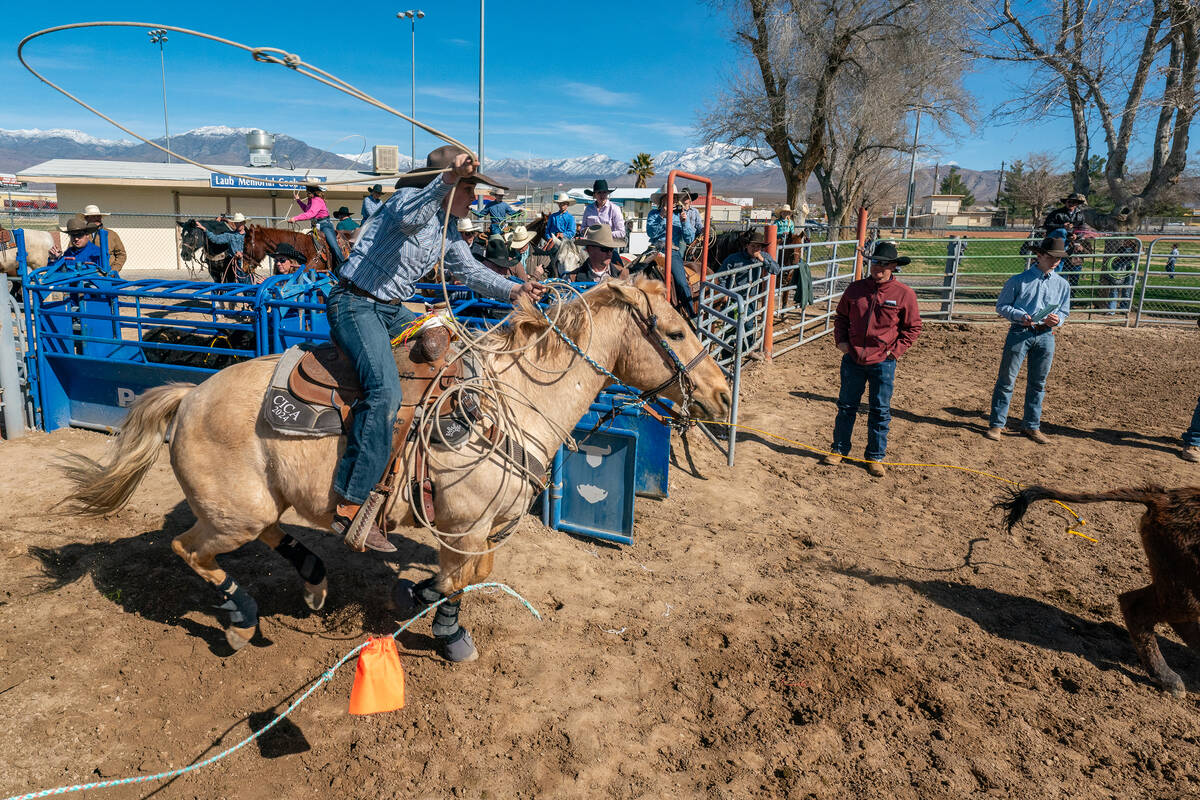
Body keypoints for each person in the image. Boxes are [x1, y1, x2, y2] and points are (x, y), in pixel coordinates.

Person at [329, 145, 546, 554]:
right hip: (354, 303)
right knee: (384, 393)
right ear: (448, 185)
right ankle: (351, 503)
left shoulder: (448, 230)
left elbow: (470, 271)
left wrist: (515, 288)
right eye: (469, 189)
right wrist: (446, 179)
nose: (475, 198)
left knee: (456, 349)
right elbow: (408, 216)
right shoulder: (407, 203)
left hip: (390, 309)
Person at [822, 242, 922, 477]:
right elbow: (841, 318)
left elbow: (913, 327)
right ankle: (839, 449)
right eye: (875, 261)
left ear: (894, 267)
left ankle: (875, 456)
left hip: (883, 361)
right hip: (853, 357)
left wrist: (895, 351)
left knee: (879, 409)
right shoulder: (855, 290)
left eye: (884, 263)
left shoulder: (904, 294)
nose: (878, 267)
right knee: (846, 406)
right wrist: (842, 342)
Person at [984, 235, 1072, 444]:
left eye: (1058, 258)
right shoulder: (1018, 280)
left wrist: (1057, 320)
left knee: (1038, 383)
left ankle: (1032, 425)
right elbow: (1002, 306)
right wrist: (1020, 316)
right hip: (1020, 332)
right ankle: (997, 424)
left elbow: (1065, 311)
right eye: (1052, 257)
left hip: (1045, 335)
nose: (1056, 261)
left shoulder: (1062, 285)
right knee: (1007, 380)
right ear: (1039, 255)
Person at [719, 228, 783, 353]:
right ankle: (727, 353)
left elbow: (776, 269)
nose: (755, 249)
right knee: (731, 326)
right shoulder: (733, 258)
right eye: (753, 246)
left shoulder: (764, 256)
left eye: (758, 246)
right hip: (734, 298)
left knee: (749, 324)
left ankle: (747, 351)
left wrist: (762, 260)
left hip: (751, 297)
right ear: (746, 245)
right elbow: (721, 276)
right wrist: (724, 292)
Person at [646, 185, 696, 314]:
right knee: (634, 271)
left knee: (681, 282)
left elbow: (689, 239)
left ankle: (691, 314)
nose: (672, 200)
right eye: (669, 198)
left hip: (672, 251)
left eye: (674, 198)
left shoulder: (680, 215)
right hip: (654, 249)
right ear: (663, 200)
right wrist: (662, 216)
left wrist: (685, 222)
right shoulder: (654, 214)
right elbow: (651, 233)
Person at [289, 183, 343, 270]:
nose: (307, 193)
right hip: (316, 226)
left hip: (325, 225)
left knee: (334, 246)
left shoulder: (317, 200)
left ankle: (343, 266)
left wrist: (295, 218)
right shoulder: (311, 200)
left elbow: (311, 214)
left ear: (312, 192)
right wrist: (298, 201)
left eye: (308, 191)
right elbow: (307, 210)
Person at [565, 224, 629, 283]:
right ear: (589, 249)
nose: (609, 253)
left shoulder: (624, 274)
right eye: (604, 249)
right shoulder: (572, 278)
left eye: (611, 249)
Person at [581, 179, 627, 254]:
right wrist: (585, 231)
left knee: (616, 264)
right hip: (591, 246)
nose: (602, 195)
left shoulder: (614, 209)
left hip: (609, 247)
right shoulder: (588, 209)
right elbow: (582, 228)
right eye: (599, 193)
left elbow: (622, 232)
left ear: (607, 194)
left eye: (604, 192)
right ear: (594, 195)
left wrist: (603, 235)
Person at [203, 212, 250, 282]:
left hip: (246, 265)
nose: (238, 224)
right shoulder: (229, 235)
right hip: (234, 265)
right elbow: (216, 239)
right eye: (236, 223)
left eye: (240, 223)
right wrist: (205, 230)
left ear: (243, 223)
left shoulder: (249, 236)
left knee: (247, 285)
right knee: (232, 285)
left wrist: (242, 255)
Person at [82, 204, 127, 272]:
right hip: (85, 274)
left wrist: (114, 270)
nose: (97, 218)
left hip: (107, 273)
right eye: (94, 216)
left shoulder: (112, 234)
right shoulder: (79, 235)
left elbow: (121, 254)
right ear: (86, 218)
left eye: (99, 216)